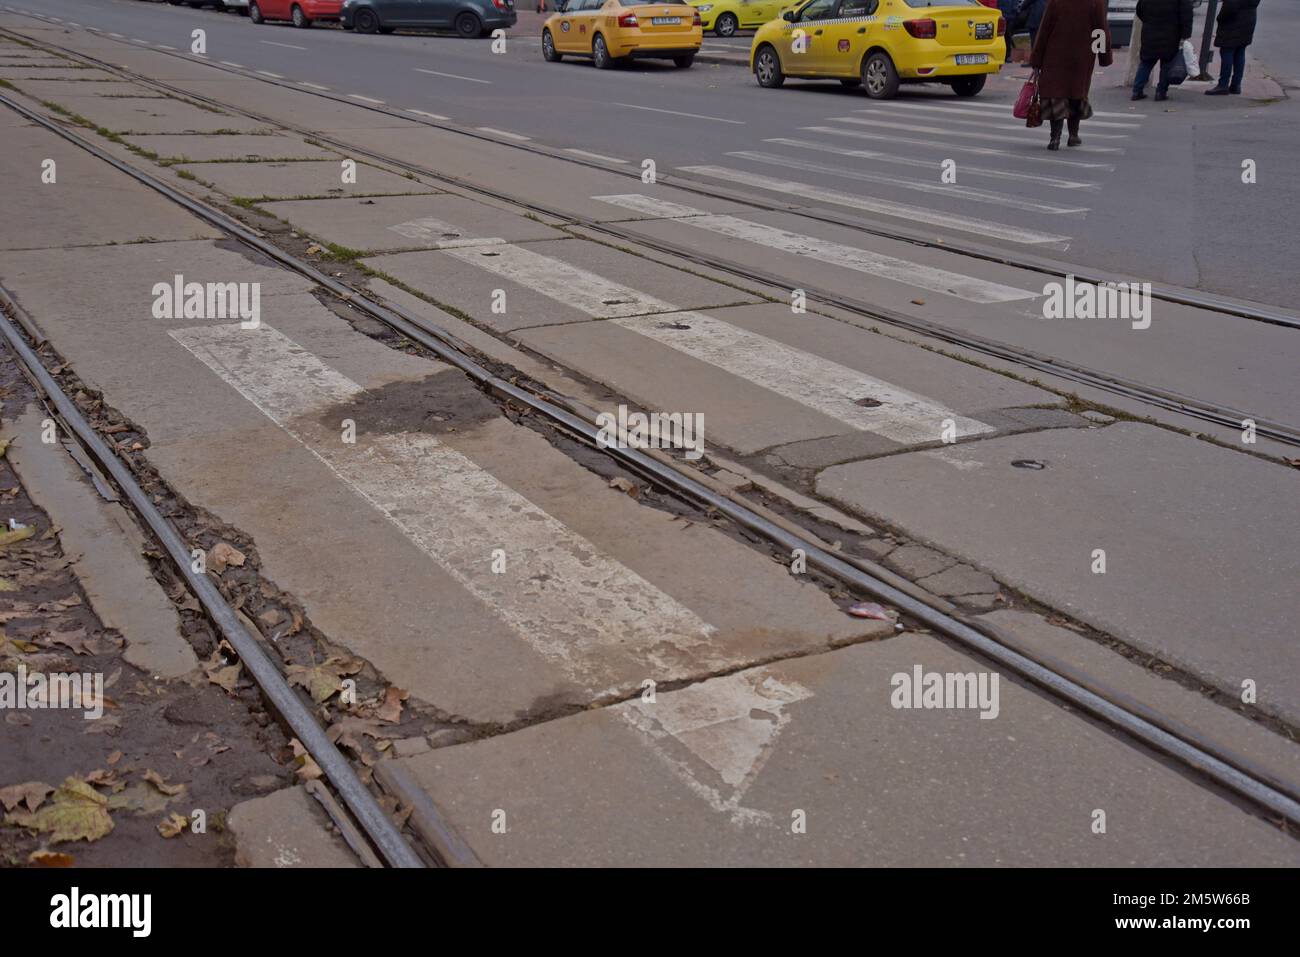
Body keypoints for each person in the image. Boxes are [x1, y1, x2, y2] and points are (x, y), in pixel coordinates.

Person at [1029, 0, 1113, 150]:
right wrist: (1104, 56)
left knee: (1056, 95)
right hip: (1082, 56)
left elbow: (1044, 30)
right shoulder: (1096, 2)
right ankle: (1073, 136)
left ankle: (1055, 138)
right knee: (1076, 94)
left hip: (1055, 55)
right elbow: (1101, 29)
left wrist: (1037, 59)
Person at [1131, 0, 1193, 101]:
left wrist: (1148, 21)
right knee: (1167, 63)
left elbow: (1140, 9)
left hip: (1150, 31)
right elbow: (1186, 15)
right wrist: (1185, 34)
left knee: (1146, 62)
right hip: (1171, 33)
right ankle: (1161, 92)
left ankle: (1137, 90)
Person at [1206, 0, 1260, 95]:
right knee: (1240, 50)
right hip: (1249, 18)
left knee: (1227, 51)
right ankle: (1236, 85)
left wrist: (1220, 17)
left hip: (1233, 21)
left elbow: (1230, 7)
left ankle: (1223, 84)